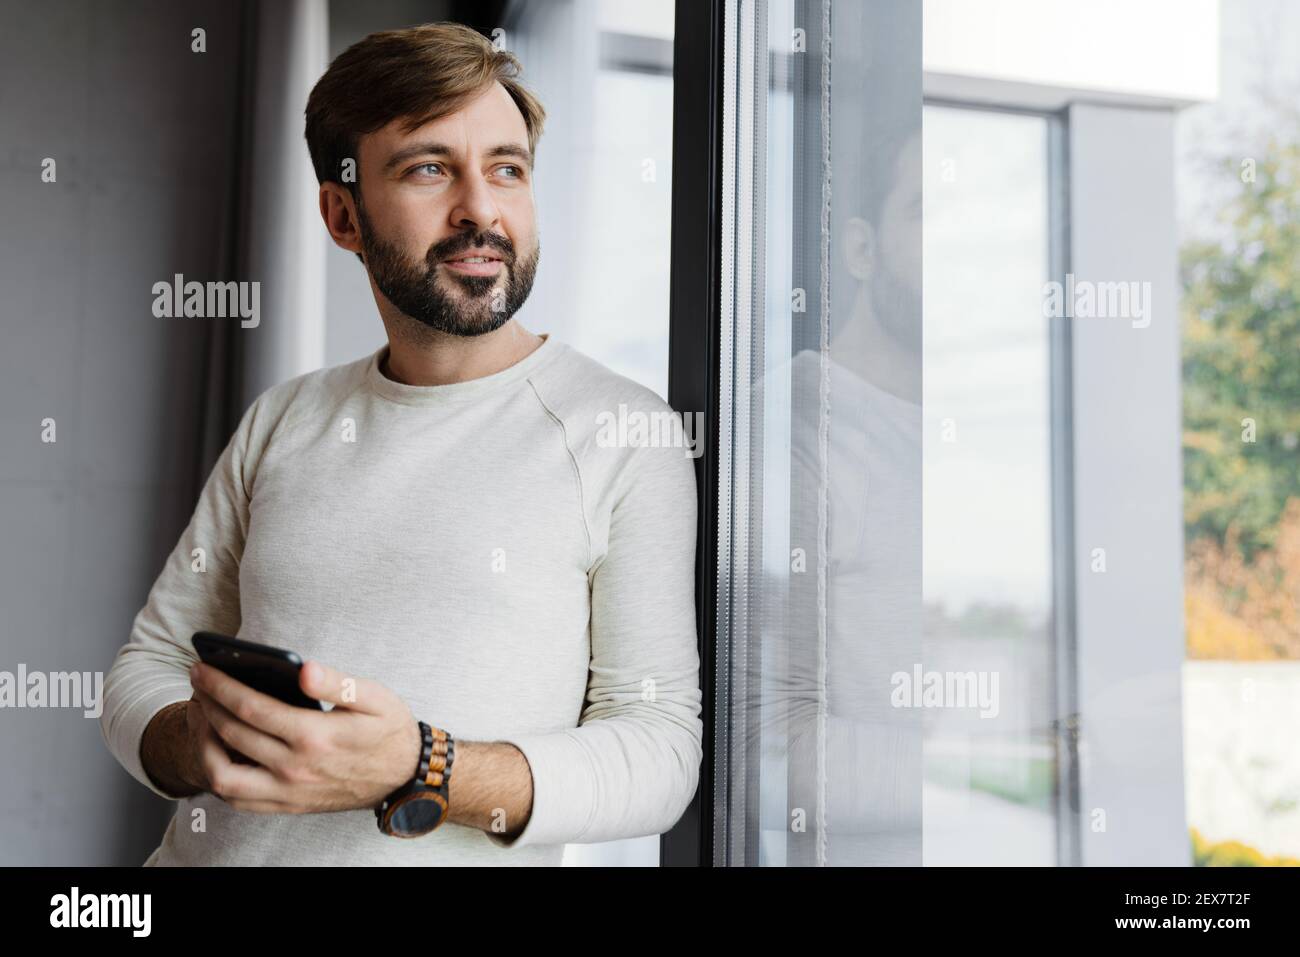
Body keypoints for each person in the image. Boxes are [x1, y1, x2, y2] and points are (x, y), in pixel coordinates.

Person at [99, 21, 702, 866]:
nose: (481, 209)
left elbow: (660, 754)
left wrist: (422, 765)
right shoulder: (283, 419)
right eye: (429, 168)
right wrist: (194, 743)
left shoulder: (622, 435)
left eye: (507, 168)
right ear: (343, 214)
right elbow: (144, 670)